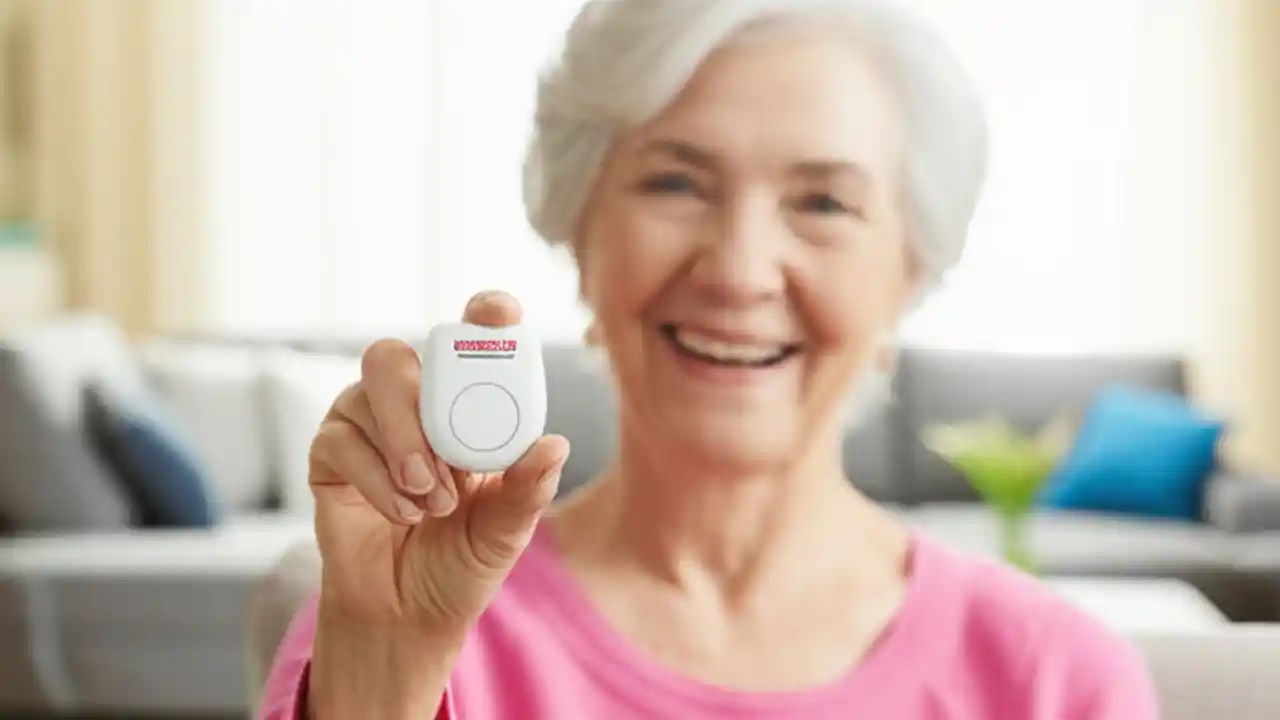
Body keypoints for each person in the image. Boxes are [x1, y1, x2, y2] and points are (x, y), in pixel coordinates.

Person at [259, 0, 1159, 717]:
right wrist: (382, 676)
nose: (738, 270)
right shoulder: (394, 626)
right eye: (676, 182)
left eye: (823, 203)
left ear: (911, 268)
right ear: (581, 230)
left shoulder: (1060, 682)